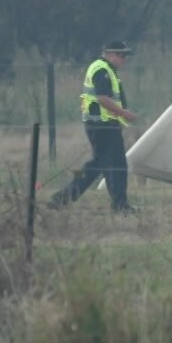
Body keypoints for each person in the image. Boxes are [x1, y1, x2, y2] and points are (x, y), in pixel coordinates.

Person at [49, 39, 139, 213]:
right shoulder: (102, 70)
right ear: (110, 54)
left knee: (99, 166)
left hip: (103, 125)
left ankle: (62, 199)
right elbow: (103, 98)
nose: (124, 59)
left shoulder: (106, 69)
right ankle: (120, 206)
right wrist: (124, 113)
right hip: (102, 126)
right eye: (121, 55)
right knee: (117, 165)